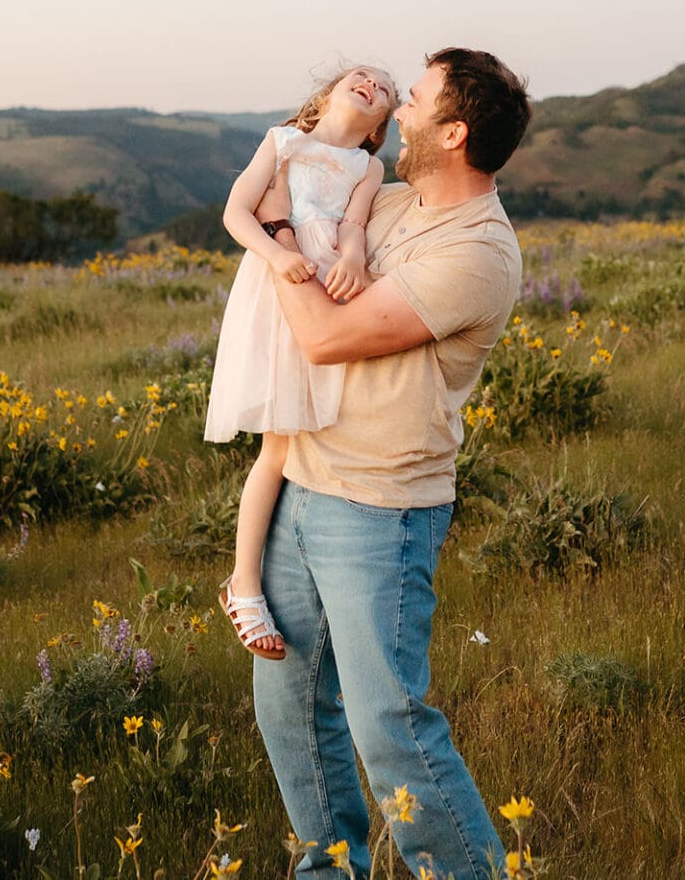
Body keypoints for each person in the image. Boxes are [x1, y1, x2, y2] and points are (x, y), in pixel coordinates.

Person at [255, 47, 532, 880]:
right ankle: (327, 873)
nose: (399, 115)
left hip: (380, 507)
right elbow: (285, 180)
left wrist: (276, 243)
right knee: (292, 714)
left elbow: (329, 336)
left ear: (453, 132)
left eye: (415, 103)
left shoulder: (479, 251)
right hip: (300, 483)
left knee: (390, 728)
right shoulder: (396, 202)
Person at [204, 64, 399, 660]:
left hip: (329, 287)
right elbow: (236, 212)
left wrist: (354, 260)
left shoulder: (370, 167)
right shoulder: (282, 141)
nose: (372, 83)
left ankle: (302, 570)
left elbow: (355, 224)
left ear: (380, 126)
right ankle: (243, 583)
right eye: (360, 76)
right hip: (280, 287)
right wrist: (273, 254)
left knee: (322, 435)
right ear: (328, 94)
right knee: (280, 446)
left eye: (385, 89)